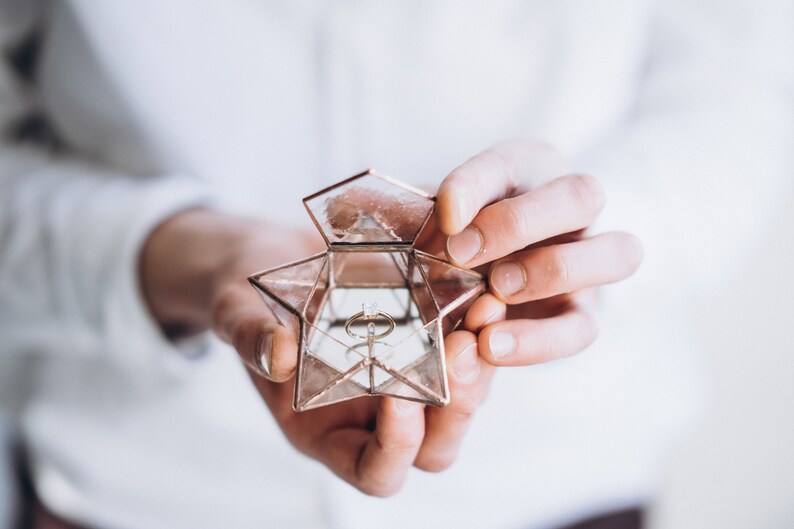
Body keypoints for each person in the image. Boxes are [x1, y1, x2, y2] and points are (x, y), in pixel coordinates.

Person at [0, 1, 790, 528]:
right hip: (133, 482)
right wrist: (186, 253)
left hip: (559, 478)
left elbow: (741, 91)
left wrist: (593, 230)